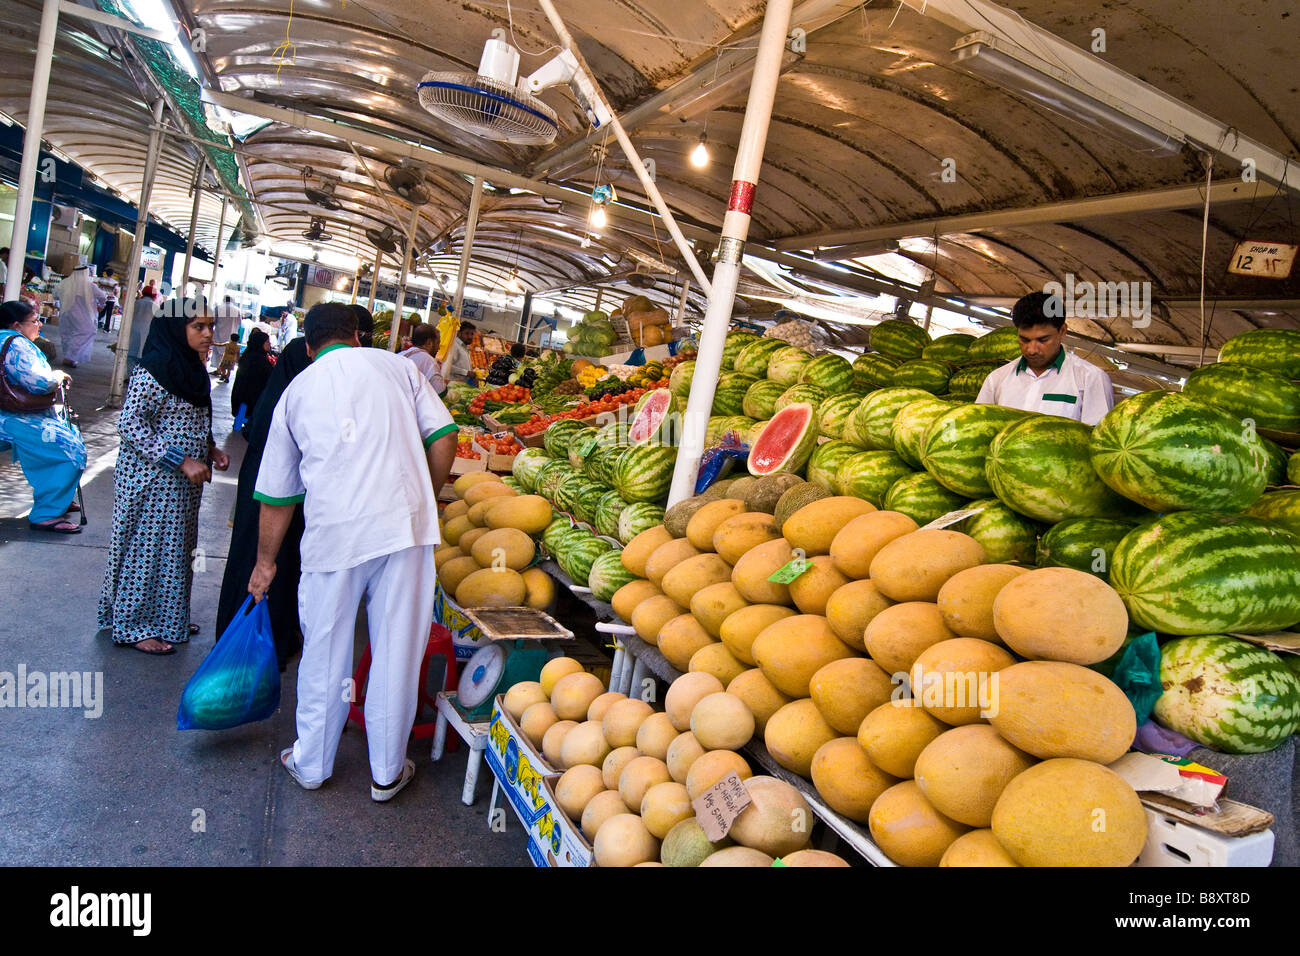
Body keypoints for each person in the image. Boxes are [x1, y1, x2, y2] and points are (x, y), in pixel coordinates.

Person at [248, 302, 457, 800]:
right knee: (397, 648)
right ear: (357, 336)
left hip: (334, 537)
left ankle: (312, 763)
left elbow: (277, 497)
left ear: (307, 345)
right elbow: (445, 435)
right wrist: (422, 498)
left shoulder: (296, 392)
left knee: (324, 649)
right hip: (403, 530)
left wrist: (264, 563)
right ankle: (386, 773)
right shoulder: (399, 368)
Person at [98, 298, 229, 654]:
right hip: (152, 480)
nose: (207, 334)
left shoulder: (192, 367)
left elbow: (193, 418)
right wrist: (181, 460)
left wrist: (211, 449)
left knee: (176, 551)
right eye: (198, 327)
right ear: (176, 329)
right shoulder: (154, 368)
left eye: (210, 326)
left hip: (182, 487)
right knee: (147, 550)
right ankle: (134, 625)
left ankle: (168, 617)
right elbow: (130, 425)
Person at [215, 337, 311, 671]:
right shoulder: (300, 404)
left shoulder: (275, 396)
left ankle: (238, 635)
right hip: (279, 500)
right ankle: (266, 643)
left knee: (249, 558)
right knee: (273, 565)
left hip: (256, 492)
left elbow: (252, 431)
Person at [0, 300, 86, 533]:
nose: (39, 325)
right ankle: (47, 513)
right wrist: (57, 376)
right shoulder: (16, 343)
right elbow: (39, 383)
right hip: (13, 416)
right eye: (35, 321)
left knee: (63, 436)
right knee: (69, 450)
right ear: (17, 325)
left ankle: (59, 497)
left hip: (8, 416)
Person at [975, 291, 1115, 426]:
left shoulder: (1091, 378)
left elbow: (1099, 440)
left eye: (1043, 340)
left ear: (1062, 331)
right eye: (1024, 339)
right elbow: (979, 428)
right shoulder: (996, 379)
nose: (1032, 350)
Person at [55, 265, 105, 368]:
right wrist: (100, 306)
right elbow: (102, 296)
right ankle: (70, 358)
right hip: (83, 317)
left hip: (65, 314)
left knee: (67, 335)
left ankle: (70, 357)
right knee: (86, 333)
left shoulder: (63, 283)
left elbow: (55, 295)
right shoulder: (90, 286)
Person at [231, 328, 274, 427]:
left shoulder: (249, 355)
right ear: (260, 343)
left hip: (243, 396)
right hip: (250, 396)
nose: (269, 344)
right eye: (267, 341)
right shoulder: (258, 359)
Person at [399, 324, 447, 396]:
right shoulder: (429, 361)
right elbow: (440, 392)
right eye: (437, 343)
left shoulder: (401, 355)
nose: (439, 348)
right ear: (429, 343)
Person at [126, 282, 160, 372]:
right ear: (154, 296)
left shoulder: (135, 303)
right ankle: (137, 375)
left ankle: (129, 375)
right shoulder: (155, 306)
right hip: (146, 332)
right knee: (142, 354)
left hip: (131, 330)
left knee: (130, 353)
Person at [211, 295, 239, 364]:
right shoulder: (237, 310)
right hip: (231, 336)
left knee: (217, 355)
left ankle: (217, 369)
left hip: (218, 334)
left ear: (224, 300)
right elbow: (239, 322)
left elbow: (213, 321)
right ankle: (226, 370)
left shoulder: (218, 308)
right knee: (228, 355)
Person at [96, 267, 119, 331]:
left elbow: (97, 288)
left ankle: (96, 324)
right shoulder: (115, 282)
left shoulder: (101, 280)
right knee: (108, 314)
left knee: (101, 312)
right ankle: (106, 328)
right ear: (112, 274)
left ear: (106, 273)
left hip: (102, 299)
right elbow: (116, 292)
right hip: (111, 300)